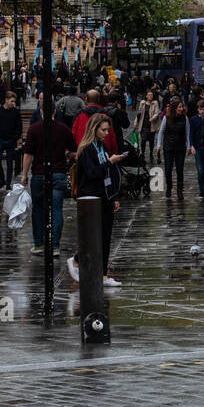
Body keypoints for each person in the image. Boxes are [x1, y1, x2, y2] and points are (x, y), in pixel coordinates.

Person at [66, 114, 126, 288]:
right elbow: (92, 173)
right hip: (91, 197)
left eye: (108, 130)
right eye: (103, 130)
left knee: (106, 236)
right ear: (94, 129)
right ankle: (77, 259)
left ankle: (103, 274)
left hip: (105, 196)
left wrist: (114, 196)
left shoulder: (103, 146)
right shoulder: (86, 149)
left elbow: (106, 174)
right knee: (94, 235)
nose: (107, 133)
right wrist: (109, 162)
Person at [20, 112, 76, 255]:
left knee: (38, 209)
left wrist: (24, 174)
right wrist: (66, 155)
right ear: (54, 111)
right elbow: (73, 150)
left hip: (39, 173)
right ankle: (55, 246)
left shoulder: (34, 129)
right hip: (58, 173)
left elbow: (28, 154)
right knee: (56, 209)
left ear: (41, 111)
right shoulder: (63, 129)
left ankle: (39, 244)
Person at [0, 92, 23, 191]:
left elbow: (19, 127)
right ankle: (2, 180)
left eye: (14, 101)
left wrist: (15, 138)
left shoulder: (16, 112)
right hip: (0, 139)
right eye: (12, 101)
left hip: (11, 140)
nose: (13, 103)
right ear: (6, 100)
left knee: (9, 163)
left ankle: (8, 183)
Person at [159, 97, 190, 199]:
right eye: (180, 107)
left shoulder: (185, 118)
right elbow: (161, 132)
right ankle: (169, 186)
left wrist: (189, 146)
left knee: (180, 169)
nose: (182, 109)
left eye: (182, 107)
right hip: (168, 147)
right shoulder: (166, 118)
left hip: (180, 147)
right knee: (168, 169)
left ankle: (179, 190)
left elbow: (188, 133)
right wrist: (158, 145)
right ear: (175, 108)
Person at [135, 90, 160, 163]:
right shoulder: (142, 103)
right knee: (143, 140)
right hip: (143, 124)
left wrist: (153, 118)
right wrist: (136, 121)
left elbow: (157, 112)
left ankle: (151, 154)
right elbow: (139, 113)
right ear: (146, 96)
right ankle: (142, 153)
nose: (150, 96)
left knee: (151, 141)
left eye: (151, 95)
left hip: (151, 125)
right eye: (149, 95)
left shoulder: (155, 103)